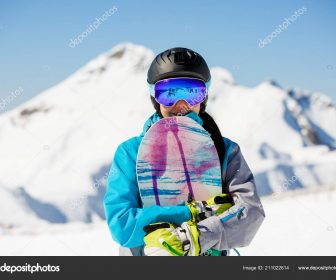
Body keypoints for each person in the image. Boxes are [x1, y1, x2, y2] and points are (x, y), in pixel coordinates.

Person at [104, 47, 265, 256]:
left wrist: (198, 237)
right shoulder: (130, 153)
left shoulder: (225, 151)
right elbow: (122, 225)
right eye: (169, 93)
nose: (181, 104)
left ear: (204, 97)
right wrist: (194, 213)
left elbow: (251, 214)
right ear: (155, 97)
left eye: (191, 92)